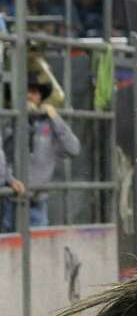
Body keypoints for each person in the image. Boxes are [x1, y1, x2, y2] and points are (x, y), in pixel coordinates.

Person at [1, 72, 81, 231]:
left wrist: (55, 118)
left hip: (38, 203)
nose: (29, 96)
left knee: (38, 243)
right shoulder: (9, 121)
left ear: (40, 97)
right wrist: (10, 180)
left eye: (34, 91)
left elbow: (74, 149)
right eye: (25, 92)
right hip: (10, 200)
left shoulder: (50, 124)